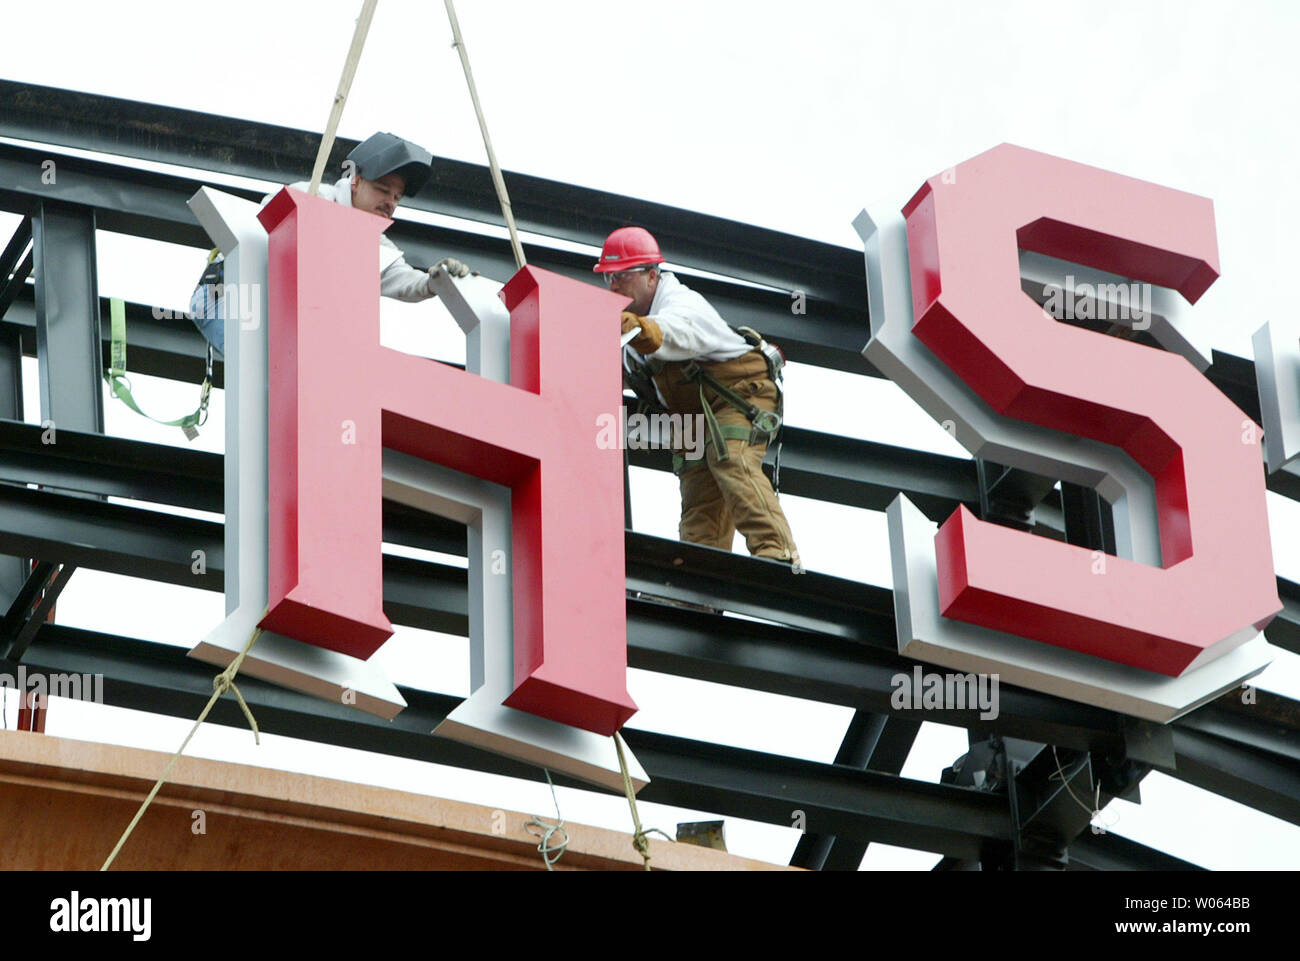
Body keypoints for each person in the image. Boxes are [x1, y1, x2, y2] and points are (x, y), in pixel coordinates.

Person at [597, 226, 800, 567]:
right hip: (694, 416)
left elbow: (676, 332)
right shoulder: (629, 332)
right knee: (699, 497)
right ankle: (700, 582)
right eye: (608, 278)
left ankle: (777, 552)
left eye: (622, 275)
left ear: (651, 276)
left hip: (739, 395)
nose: (614, 285)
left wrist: (638, 329)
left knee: (731, 458)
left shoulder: (680, 303)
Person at [190, 131, 470, 353]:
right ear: (355, 181)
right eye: (383, 190)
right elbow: (263, 223)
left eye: (396, 198)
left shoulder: (376, 247)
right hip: (225, 300)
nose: (390, 202)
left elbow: (405, 280)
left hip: (274, 324)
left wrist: (435, 280)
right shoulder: (311, 197)